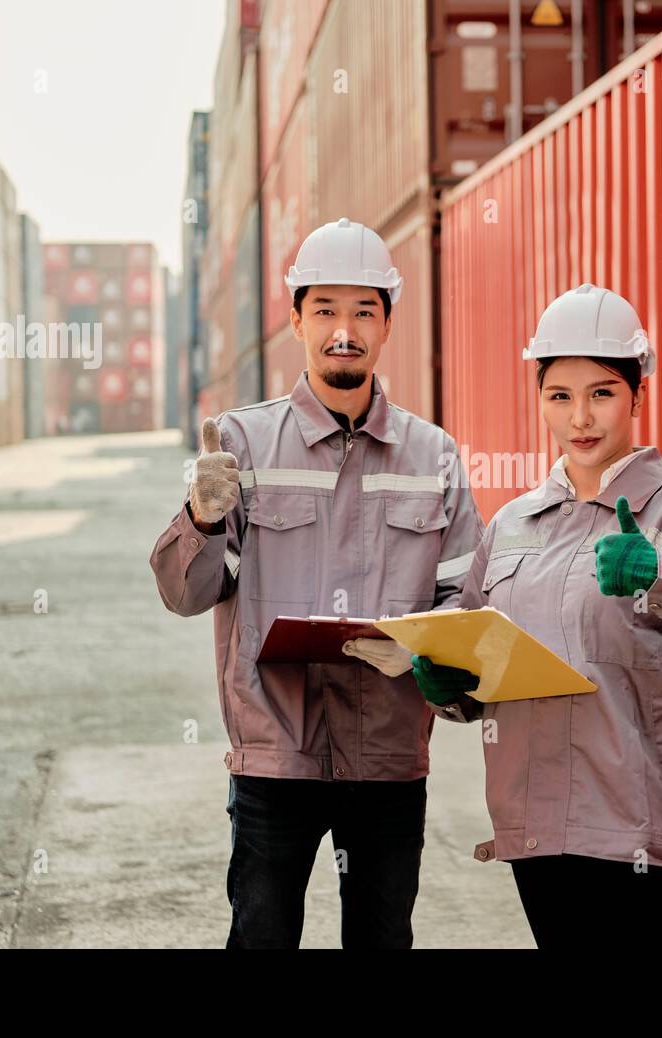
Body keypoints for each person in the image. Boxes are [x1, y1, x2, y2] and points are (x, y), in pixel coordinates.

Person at [412, 284, 662, 948]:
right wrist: (450, 688)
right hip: (538, 831)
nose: (581, 419)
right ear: (539, 398)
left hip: (648, 837)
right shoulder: (512, 525)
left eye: (601, 393)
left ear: (638, 396)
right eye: (559, 396)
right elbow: (473, 640)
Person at [149, 218, 483, 948]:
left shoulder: (435, 456)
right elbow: (185, 594)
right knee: (263, 937)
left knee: (382, 939)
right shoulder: (241, 443)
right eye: (326, 309)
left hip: (389, 755)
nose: (344, 330)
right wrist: (200, 519)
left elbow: (466, 603)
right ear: (296, 320)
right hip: (277, 755)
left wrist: (427, 658)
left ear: (387, 324)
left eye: (364, 310)